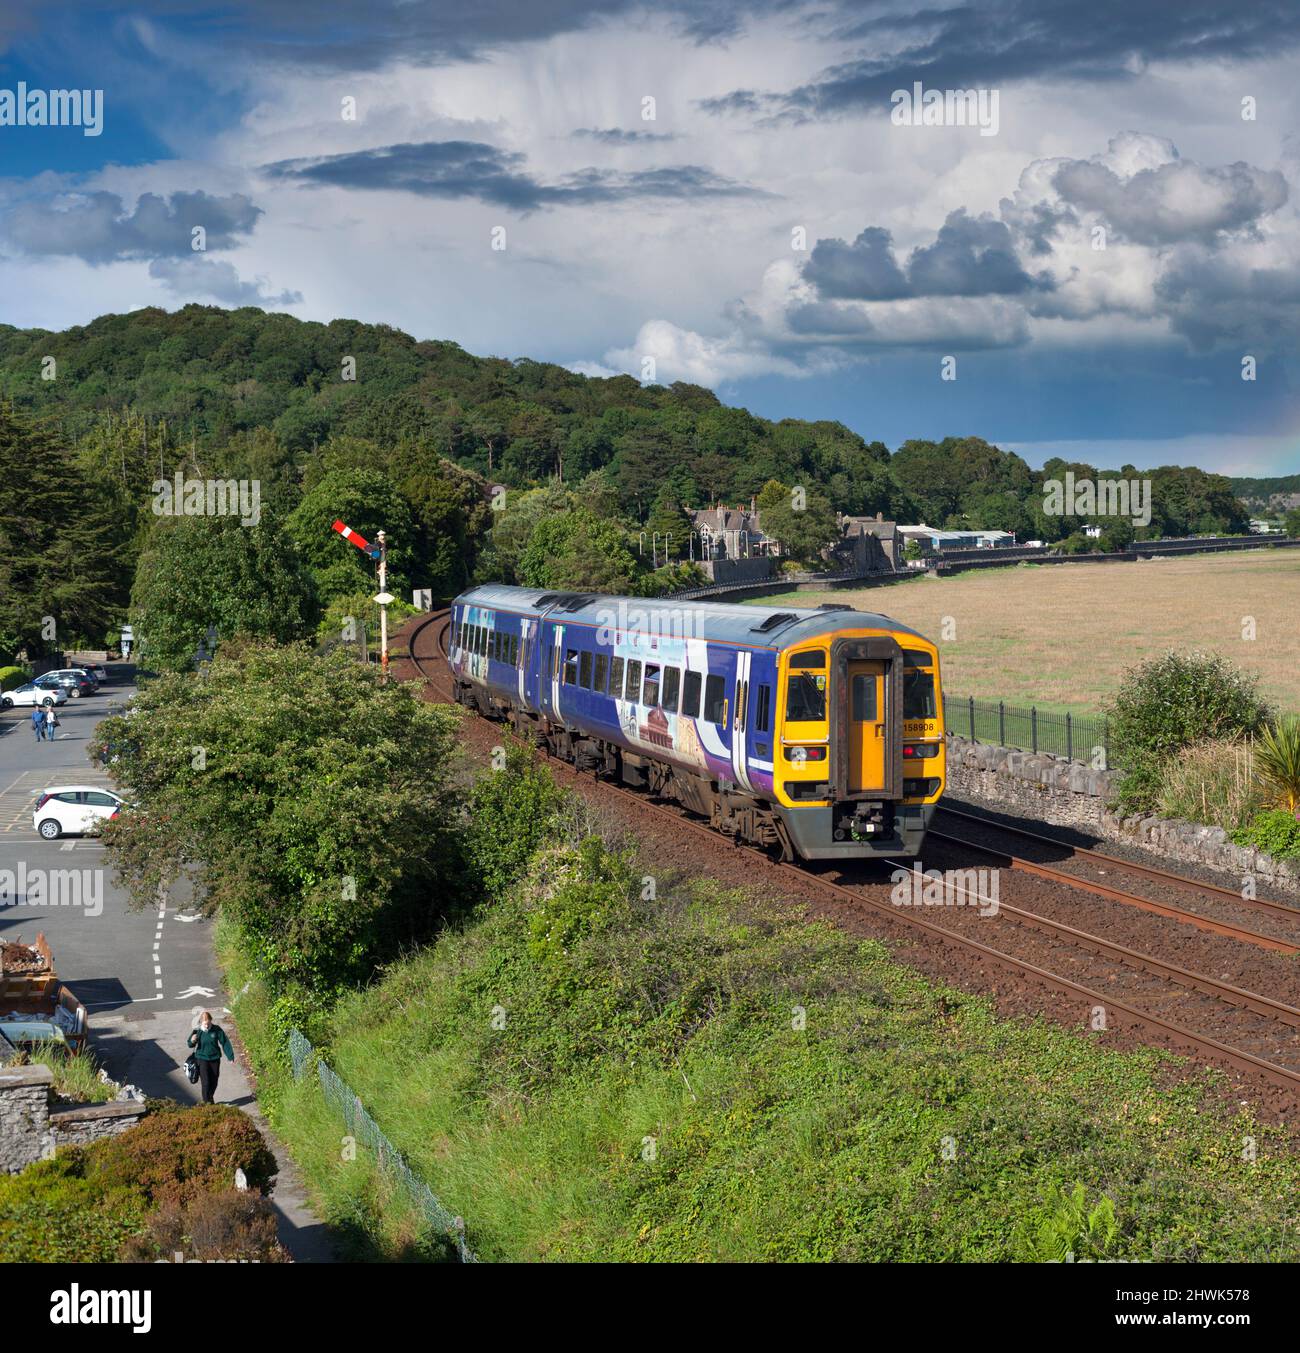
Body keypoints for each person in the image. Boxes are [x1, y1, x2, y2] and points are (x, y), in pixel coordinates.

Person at [187, 1010, 235, 1103]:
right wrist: (192, 1040)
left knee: (214, 1080)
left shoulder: (217, 1029)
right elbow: (190, 1044)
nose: (207, 1026)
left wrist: (230, 1056)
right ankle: (206, 1102)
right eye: (205, 1024)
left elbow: (224, 1042)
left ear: (211, 1021)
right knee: (206, 1082)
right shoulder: (198, 1031)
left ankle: (210, 1096)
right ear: (201, 1022)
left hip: (215, 1058)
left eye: (208, 1023)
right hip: (201, 1059)